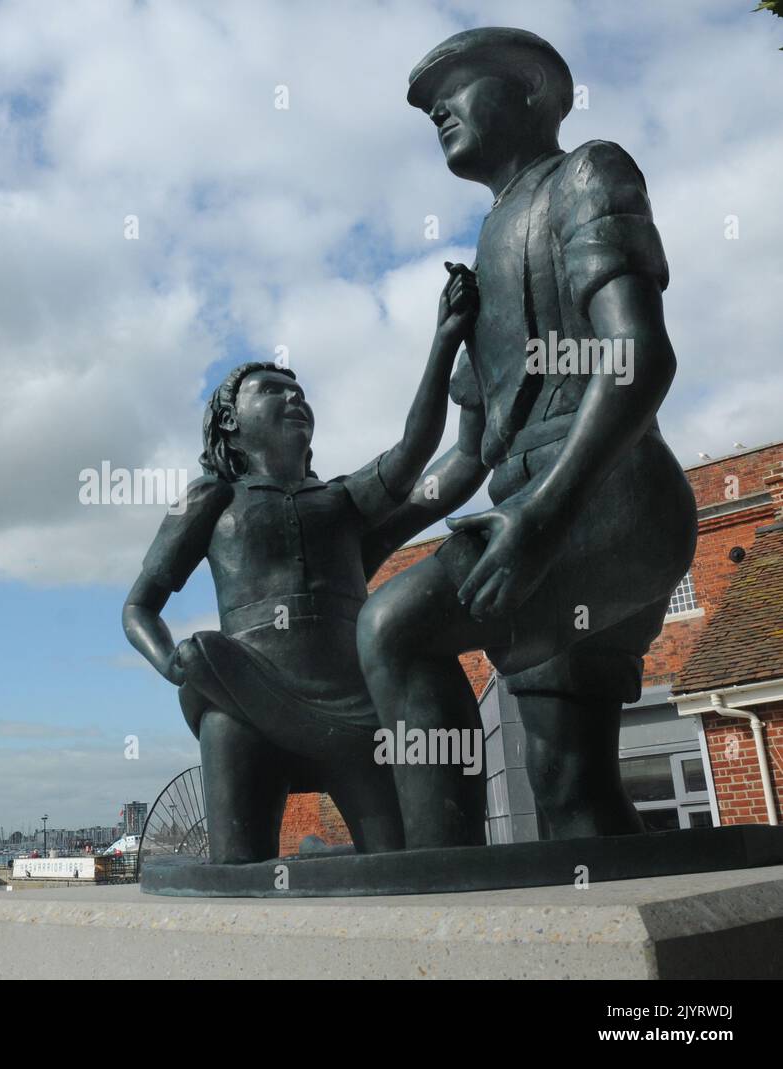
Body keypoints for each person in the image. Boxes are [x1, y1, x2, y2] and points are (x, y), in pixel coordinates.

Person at [356, 28, 698, 848]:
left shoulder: (588, 173)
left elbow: (637, 356)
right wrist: (369, 539)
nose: (436, 108)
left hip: (605, 502)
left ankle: (441, 867)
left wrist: (542, 517)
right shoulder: (480, 250)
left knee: (393, 628)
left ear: (533, 92)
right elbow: (471, 456)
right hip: (534, 526)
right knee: (570, 789)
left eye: (459, 84)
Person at [123, 266, 476, 864]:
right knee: (239, 875)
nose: (295, 399)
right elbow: (138, 606)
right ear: (231, 421)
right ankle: (301, 861)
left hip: (354, 707)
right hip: (244, 700)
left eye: (302, 394)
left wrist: (445, 342)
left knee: (396, 865)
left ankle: (316, 856)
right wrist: (173, 667)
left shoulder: (341, 501)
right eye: (272, 392)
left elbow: (421, 452)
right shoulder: (210, 498)